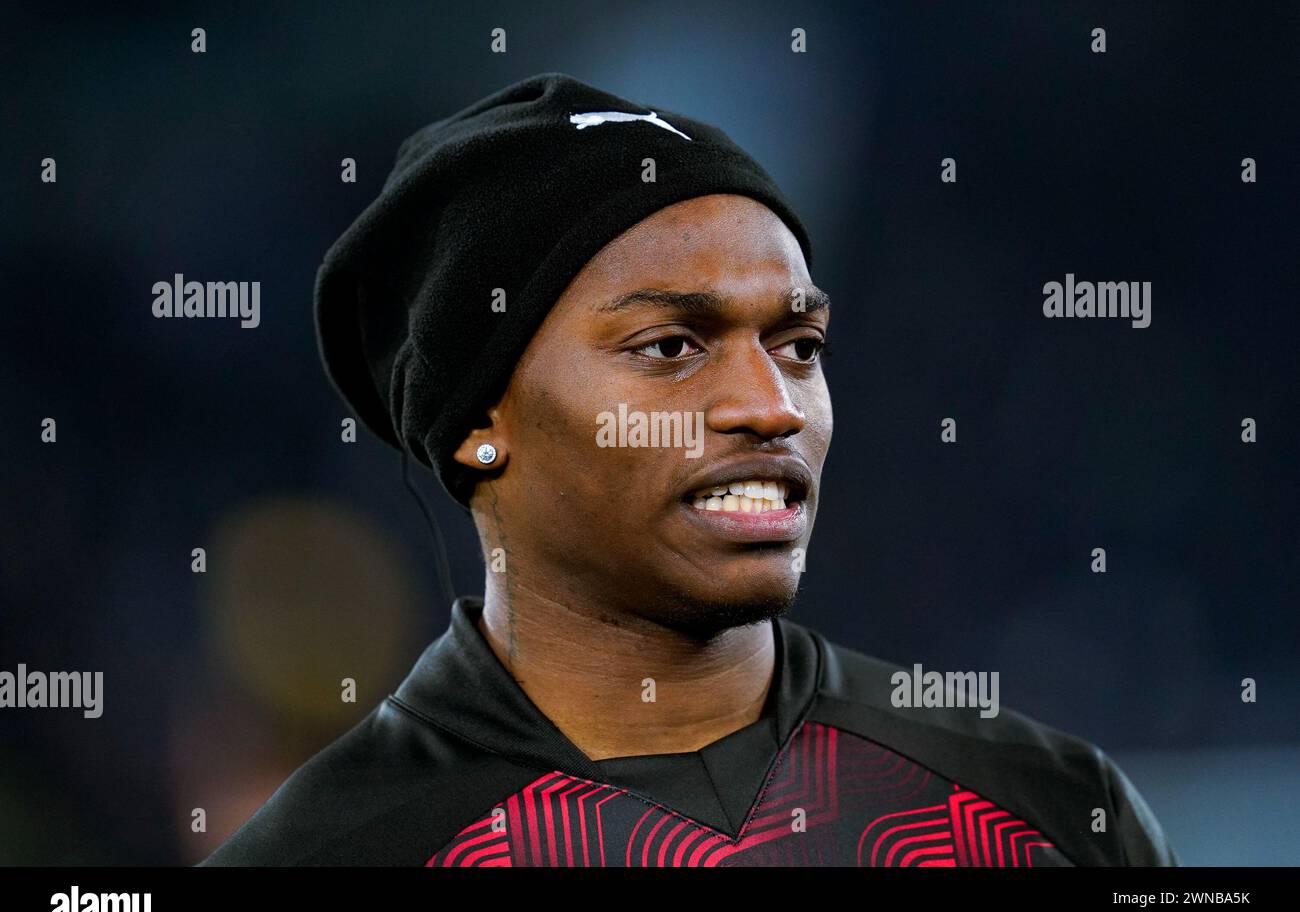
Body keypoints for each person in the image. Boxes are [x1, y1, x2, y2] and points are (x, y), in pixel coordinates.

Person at [201, 72, 1178, 867]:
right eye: (670, 346)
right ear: (480, 424)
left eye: (797, 343)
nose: (772, 404)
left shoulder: (1052, 809)